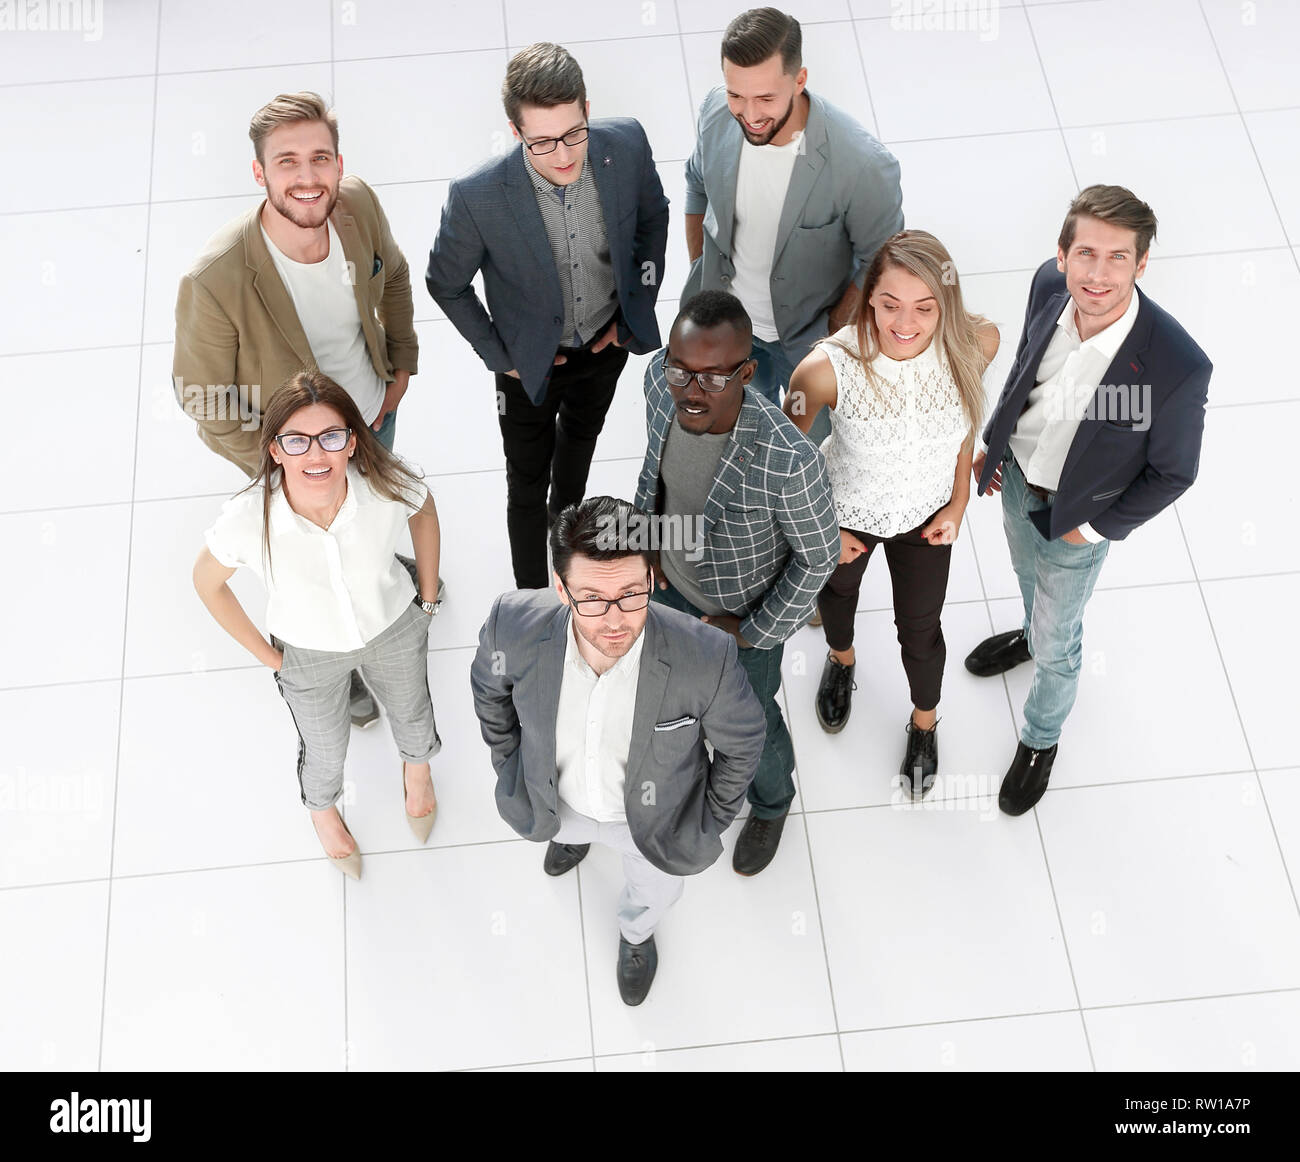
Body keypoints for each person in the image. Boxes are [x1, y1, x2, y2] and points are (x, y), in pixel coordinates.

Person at [174, 90, 423, 727]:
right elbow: (200, 395)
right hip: (295, 452)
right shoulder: (217, 277)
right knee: (308, 557)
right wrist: (280, 458)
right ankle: (345, 672)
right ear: (259, 173)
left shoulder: (358, 205)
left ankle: (383, 579)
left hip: (371, 418)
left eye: (320, 158)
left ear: (340, 164)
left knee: (372, 508)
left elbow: (391, 273)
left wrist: (400, 365)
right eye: (287, 162)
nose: (307, 177)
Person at [966, 185, 1212, 816]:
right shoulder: (1049, 287)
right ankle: (1026, 634)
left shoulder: (1177, 363)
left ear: (1142, 263)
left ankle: (1040, 738)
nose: (1097, 275)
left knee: (1060, 637)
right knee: (1025, 575)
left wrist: (1095, 529)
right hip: (1017, 478)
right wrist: (995, 448)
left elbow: (1173, 473)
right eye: (1086, 254)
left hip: (1078, 516)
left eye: (1118, 258)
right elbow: (1025, 371)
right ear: (1063, 254)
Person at [469, 496, 765, 1005]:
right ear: (560, 588)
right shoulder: (510, 625)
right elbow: (489, 694)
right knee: (564, 827)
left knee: (652, 894)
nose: (614, 621)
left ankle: (635, 937)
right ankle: (569, 839)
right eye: (591, 598)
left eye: (631, 594)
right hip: (557, 803)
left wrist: (709, 820)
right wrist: (510, 763)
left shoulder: (705, 656)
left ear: (652, 576)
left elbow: (742, 745)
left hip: (655, 822)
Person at [426, 42, 670, 589]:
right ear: (515, 132)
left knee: (577, 458)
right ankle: (533, 601)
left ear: (587, 107)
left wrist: (639, 307)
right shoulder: (477, 196)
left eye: (573, 133)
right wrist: (500, 356)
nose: (562, 155)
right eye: (541, 142)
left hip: (606, 347)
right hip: (526, 364)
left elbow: (654, 216)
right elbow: (445, 282)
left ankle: (567, 558)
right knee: (526, 485)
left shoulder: (625, 143)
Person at [193, 371, 444, 880]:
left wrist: (430, 594)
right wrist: (272, 660)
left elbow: (424, 509)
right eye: (296, 441)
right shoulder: (248, 517)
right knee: (324, 747)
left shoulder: (383, 483)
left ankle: (417, 775)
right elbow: (206, 583)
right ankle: (323, 811)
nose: (316, 454)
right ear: (275, 450)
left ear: (351, 443)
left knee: (413, 712)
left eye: (330, 437)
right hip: (306, 655)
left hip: (393, 623)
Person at [785, 230, 998, 797]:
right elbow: (782, 462)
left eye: (925, 308)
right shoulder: (824, 370)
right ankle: (841, 659)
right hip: (846, 513)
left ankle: (924, 726)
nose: (906, 323)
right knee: (836, 596)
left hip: (927, 518)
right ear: (868, 299)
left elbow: (965, 425)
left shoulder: (976, 344)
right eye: (889, 305)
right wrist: (822, 529)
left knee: (921, 633)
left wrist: (957, 504)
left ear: (944, 305)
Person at [634, 291, 839, 876]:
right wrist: (645, 538)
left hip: (740, 619)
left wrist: (751, 633)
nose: (690, 390)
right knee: (668, 700)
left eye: (713, 377)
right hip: (668, 590)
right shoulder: (657, 383)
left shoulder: (788, 458)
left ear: (747, 372)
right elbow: (654, 465)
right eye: (681, 370)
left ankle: (772, 802)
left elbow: (819, 558)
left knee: (748, 722)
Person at [683, 7, 903, 419]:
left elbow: (881, 260)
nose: (748, 114)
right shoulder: (715, 113)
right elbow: (696, 184)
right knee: (738, 435)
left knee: (812, 455)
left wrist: (833, 331)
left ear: (799, 80)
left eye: (766, 98)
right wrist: (700, 264)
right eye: (737, 95)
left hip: (807, 344)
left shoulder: (862, 164)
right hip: (728, 330)